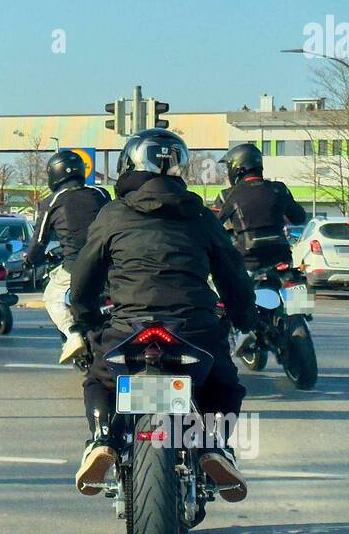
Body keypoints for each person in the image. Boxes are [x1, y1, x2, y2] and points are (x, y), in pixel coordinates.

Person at [68, 128, 256, 502]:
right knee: (224, 385)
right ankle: (215, 445)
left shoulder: (112, 215)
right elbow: (233, 275)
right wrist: (245, 318)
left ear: (129, 164)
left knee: (99, 381)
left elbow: (84, 276)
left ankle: (102, 440)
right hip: (194, 328)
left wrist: (85, 321)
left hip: (128, 328)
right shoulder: (202, 216)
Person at [25, 149, 110, 363]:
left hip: (76, 265)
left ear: (54, 174)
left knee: (52, 296)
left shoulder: (53, 202)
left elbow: (39, 241)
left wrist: (30, 260)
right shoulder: (101, 194)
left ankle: (72, 334)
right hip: (110, 262)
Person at [215, 143, 307, 271]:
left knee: (222, 284)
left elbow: (212, 224)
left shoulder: (227, 195)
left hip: (246, 263)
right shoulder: (279, 189)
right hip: (281, 260)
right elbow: (300, 218)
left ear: (238, 168)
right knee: (294, 283)